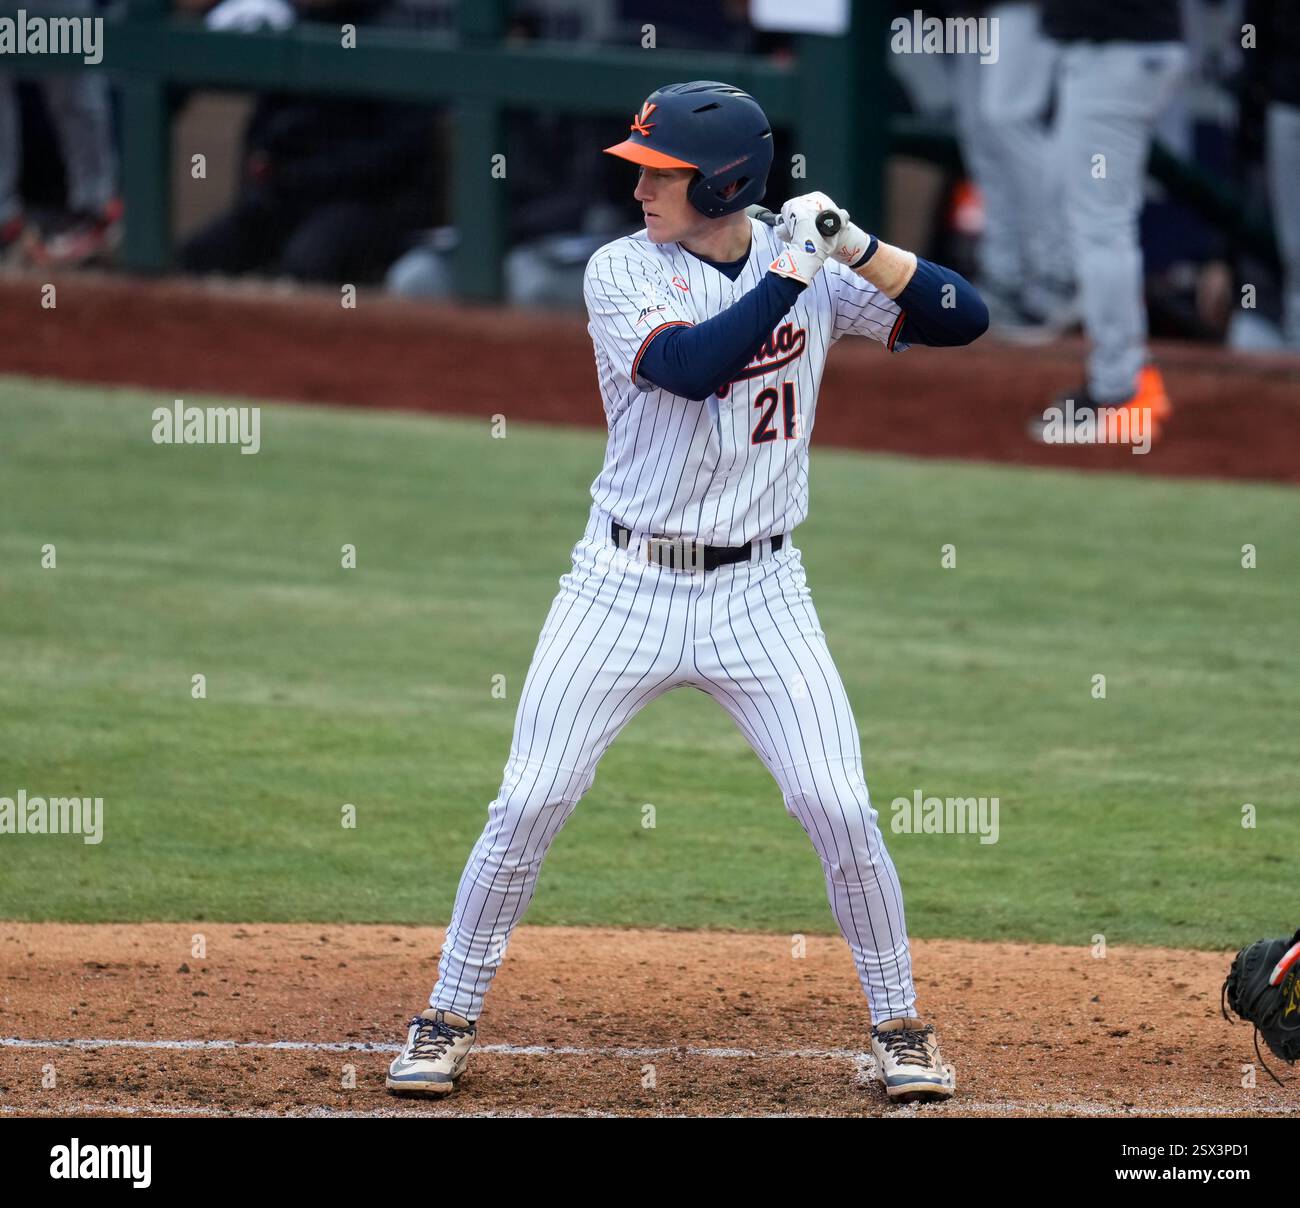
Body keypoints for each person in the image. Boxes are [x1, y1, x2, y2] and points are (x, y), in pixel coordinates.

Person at [387, 80, 988, 1106]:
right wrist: (793, 271)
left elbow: (960, 319)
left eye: (658, 172)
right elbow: (694, 366)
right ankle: (445, 1010)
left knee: (836, 802)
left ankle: (901, 1024)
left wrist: (851, 243)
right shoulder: (621, 268)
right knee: (530, 796)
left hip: (763, 590)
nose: (637, 187)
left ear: (721, 181)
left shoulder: (805, 258)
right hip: (618, 582)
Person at [1029, 0, 1189, 447]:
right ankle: (1126, 371)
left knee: (1101, 224)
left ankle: (1121, 392)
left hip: (1118, 54)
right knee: (1078, 206)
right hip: (1114, 54)